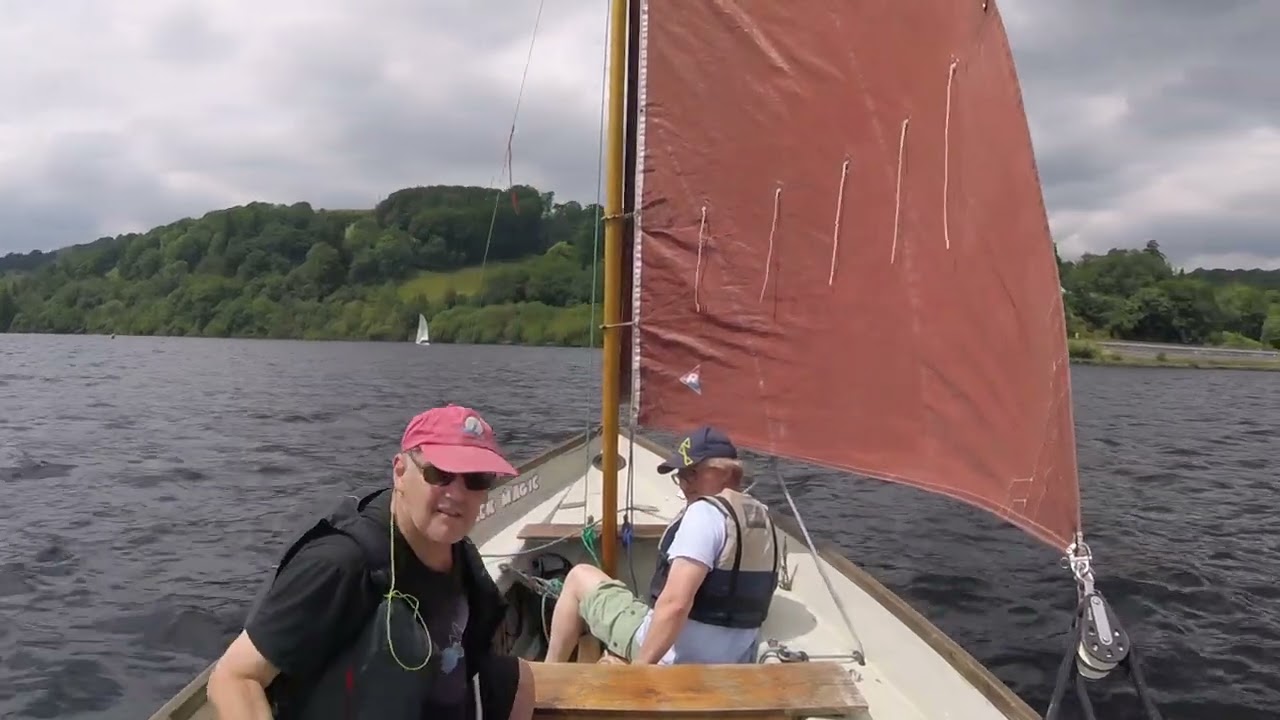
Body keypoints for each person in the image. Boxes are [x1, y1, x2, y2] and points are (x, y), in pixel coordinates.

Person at [207, 404, 536, 720]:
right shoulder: (340, 565)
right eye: (441, 474)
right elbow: (233, 680)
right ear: (400, 472)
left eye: (476, 480)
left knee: (517, 680)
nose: (458, 493)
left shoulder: (459, 554)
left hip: (429, 700)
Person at [543, 426, 779, 665]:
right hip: (731, 659)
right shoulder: (761, 517)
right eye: (681, 475)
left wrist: (640, 669)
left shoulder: (704, 514)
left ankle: (548, 675)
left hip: (676, 658)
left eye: (692, 473)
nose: (684, 485)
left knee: (578, 577)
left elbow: (675, 604)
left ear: (724, 473)